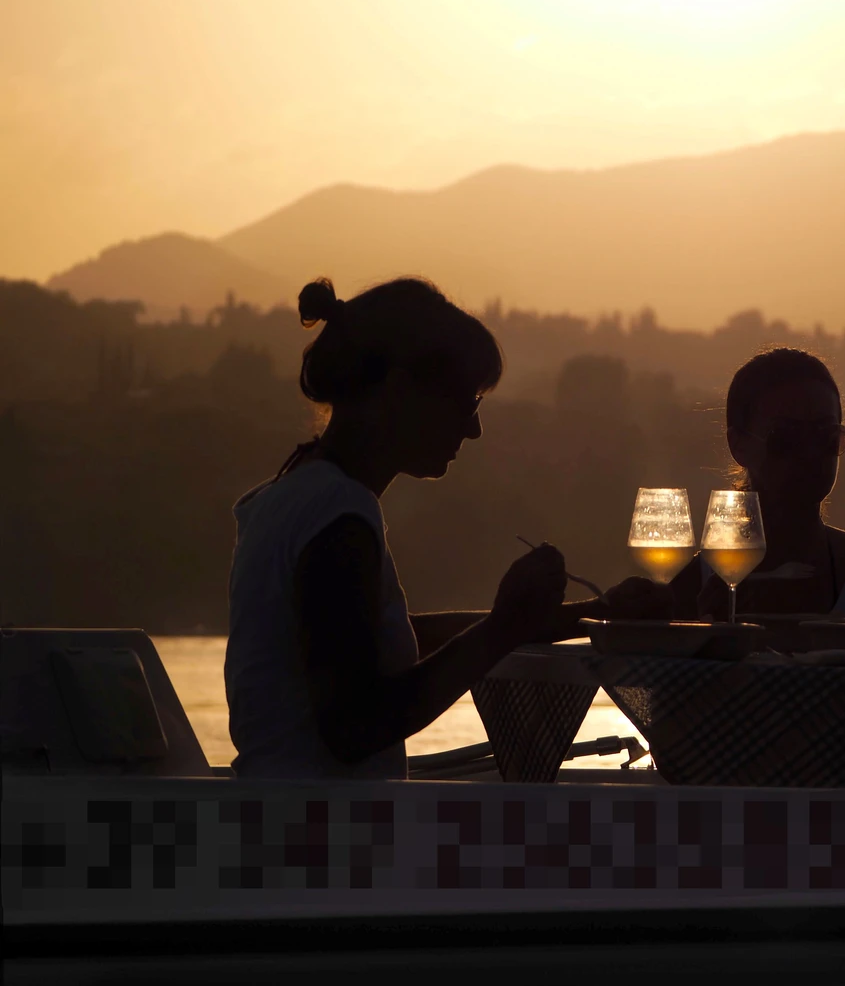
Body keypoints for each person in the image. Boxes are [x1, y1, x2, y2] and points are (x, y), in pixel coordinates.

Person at [225, 276, 667, 779]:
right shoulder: (338, 514)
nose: (473, 429)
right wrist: (504, 628)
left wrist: (590, 617)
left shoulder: (287, 496)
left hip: (273, 813)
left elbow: (377, 642)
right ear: (399, 391)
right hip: (322, 825)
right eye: (467, 403)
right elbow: (355, 725)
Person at [670, 347, 845, 622]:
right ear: (739, 446)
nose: (810, 452)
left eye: (826, 436)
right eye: (786, 437)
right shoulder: (688, 588)